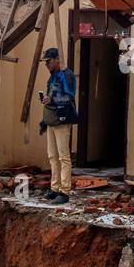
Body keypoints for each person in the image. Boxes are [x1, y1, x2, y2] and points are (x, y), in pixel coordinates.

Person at [37, 47, 77, 205]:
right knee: (52, 156)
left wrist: (51, 100)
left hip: (62, 120)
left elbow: (68, 98)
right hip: (52, 120)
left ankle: (64, 191)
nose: (46, 64)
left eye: (48, 61)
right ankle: (55, 188)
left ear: (56, 59)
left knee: (63, 157)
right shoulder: (53, 77)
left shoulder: (67, 76)